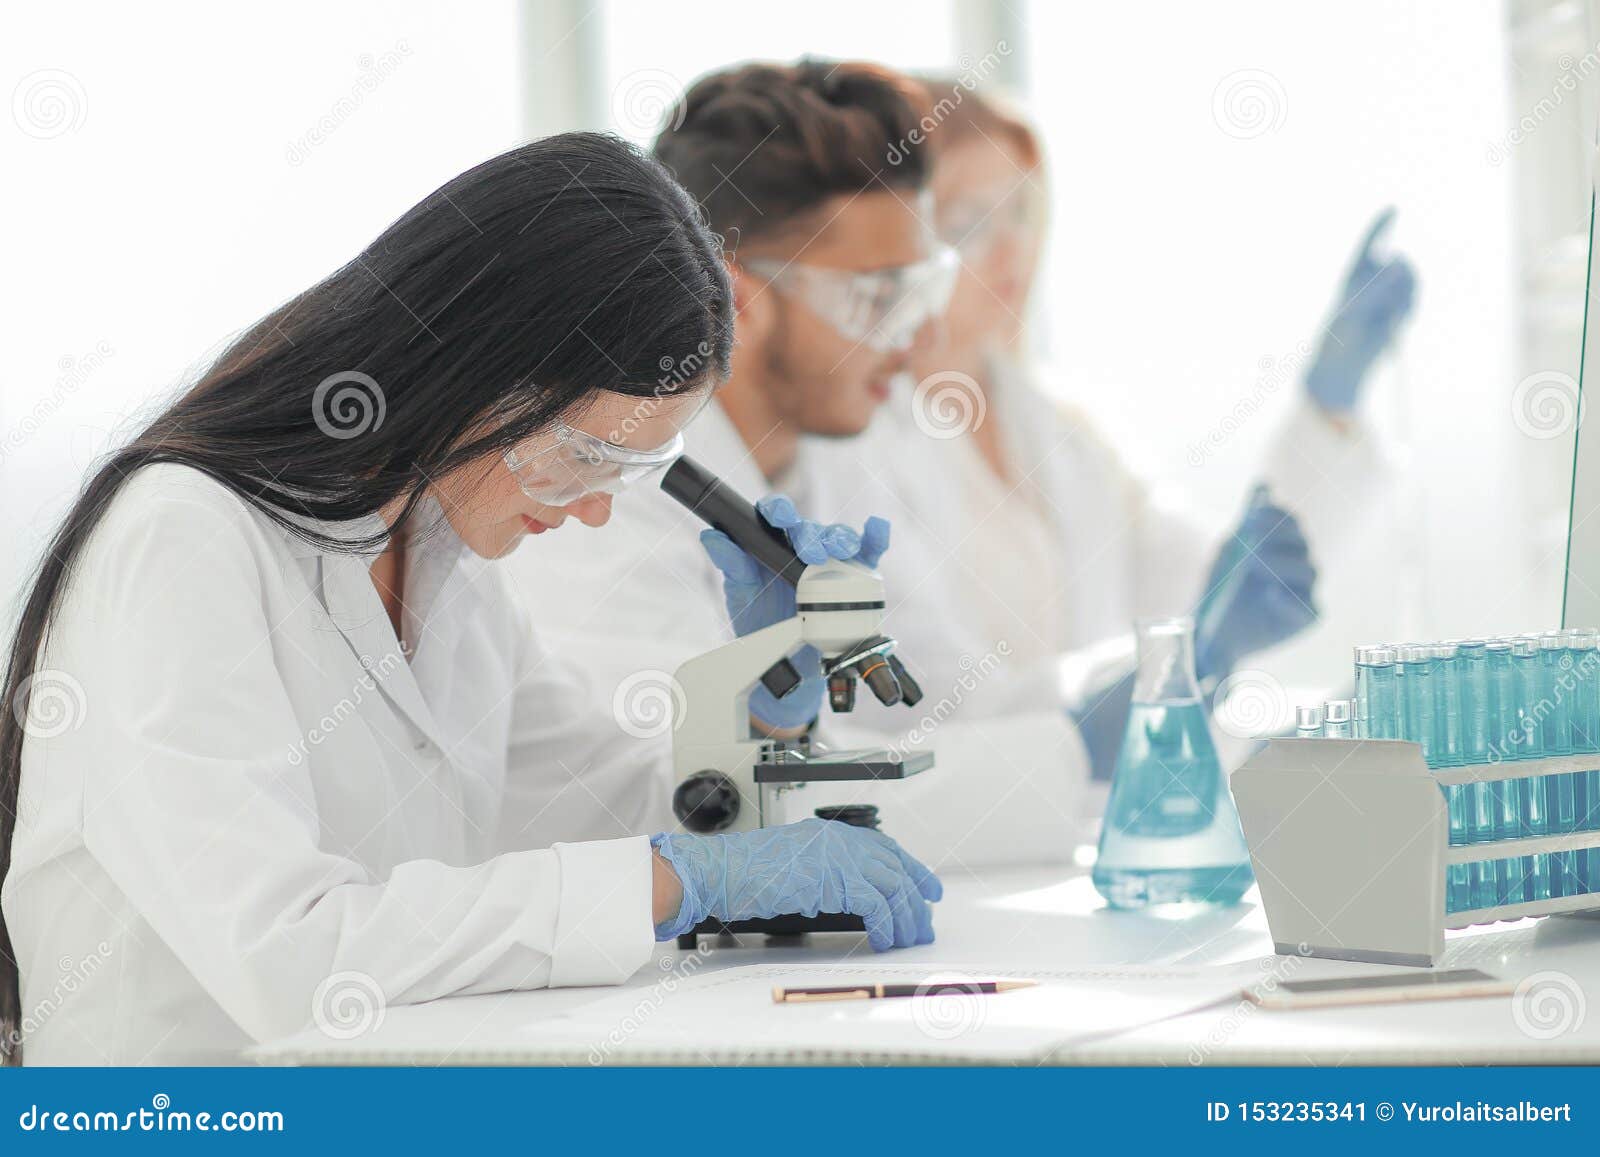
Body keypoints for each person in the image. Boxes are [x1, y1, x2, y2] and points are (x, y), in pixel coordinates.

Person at [0, 133, 940, 1066]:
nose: (599, 504)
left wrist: (758, 700)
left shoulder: (442, 556)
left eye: (632, 468)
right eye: (586, 455)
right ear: (479, 371)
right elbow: (289, 956)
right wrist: (683, 879)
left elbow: (597, 803)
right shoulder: (184, 535)